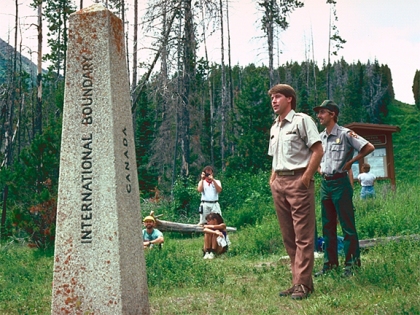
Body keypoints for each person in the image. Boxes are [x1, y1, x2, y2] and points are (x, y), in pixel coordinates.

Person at [268, 84, 324, 300]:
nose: (274, 101)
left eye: (278, 97)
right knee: (289, 237)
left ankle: (302, 284)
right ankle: (298, 283)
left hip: (298, 181)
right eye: (272, 97)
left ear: (289, 99)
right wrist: (273, 179)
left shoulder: (302, 120)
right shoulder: (275, 127)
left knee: (303, 236)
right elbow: (275, 157)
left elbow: (317, 149)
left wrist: (307, 177)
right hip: (279, 183)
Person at [313, 100, 375, 277]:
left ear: (332, 114)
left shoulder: (346, 133)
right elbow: (314, 155)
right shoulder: (320, 136)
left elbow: (368, 147)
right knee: (327, 226)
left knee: (347, 226)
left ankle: (352, 265)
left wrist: (351, 162)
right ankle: (330, 265)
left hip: (341, 183)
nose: (319, 116)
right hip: (326, 184)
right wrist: (319, 170)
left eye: (323, 112)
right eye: (319, 113)